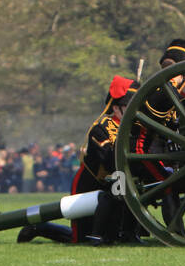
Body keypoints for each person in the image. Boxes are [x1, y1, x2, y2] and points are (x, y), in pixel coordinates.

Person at [18, 76, 140, 244]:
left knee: (112, 237)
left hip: (115, 186)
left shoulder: (136, 128)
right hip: (89, 184)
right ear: (116, 108)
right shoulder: (102, 128)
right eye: (129, 106)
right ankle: (40, 228)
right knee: (79, 239)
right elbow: (110, 162)